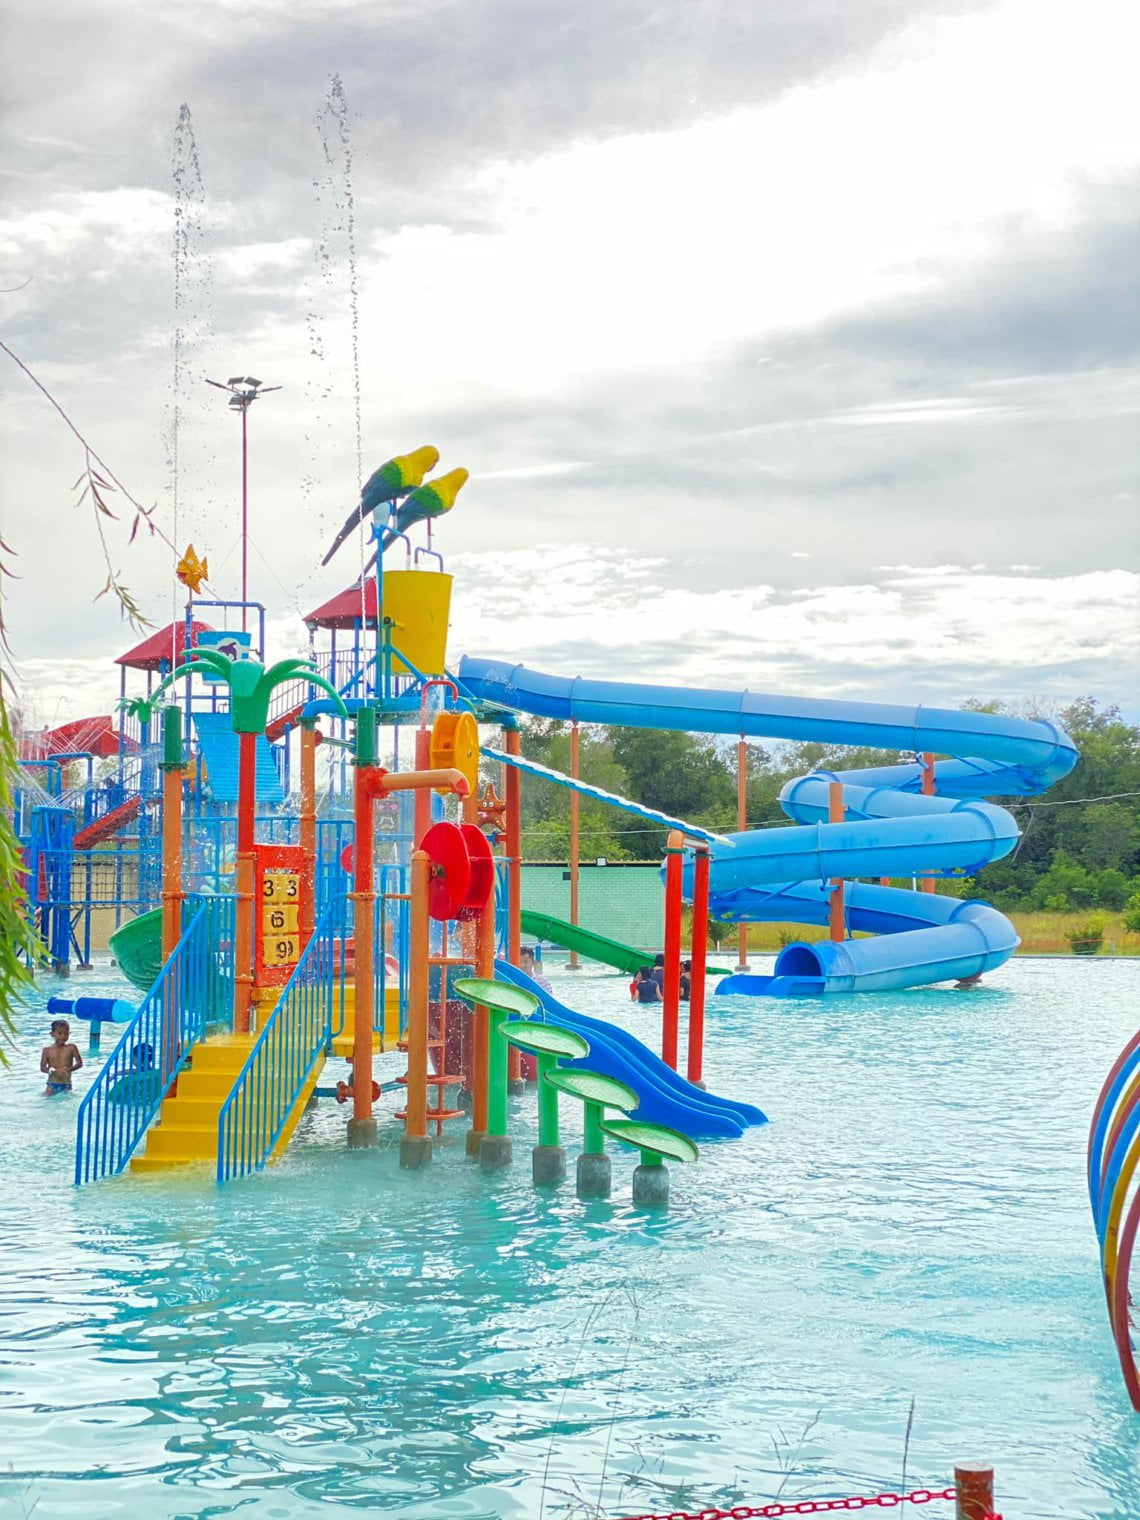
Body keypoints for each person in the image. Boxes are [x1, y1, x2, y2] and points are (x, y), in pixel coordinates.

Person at [41, 1019, 83, 1096]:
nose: (63, 1036)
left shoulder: (72, 1048)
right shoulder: (47, 1050)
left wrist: (68, 1070)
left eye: (66, 1034)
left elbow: (79, 1063)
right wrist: (55, 1071)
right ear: (52, 1034)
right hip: (51, 1085)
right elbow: (43, 1068)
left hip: (66, 1084)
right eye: (60, 1033)